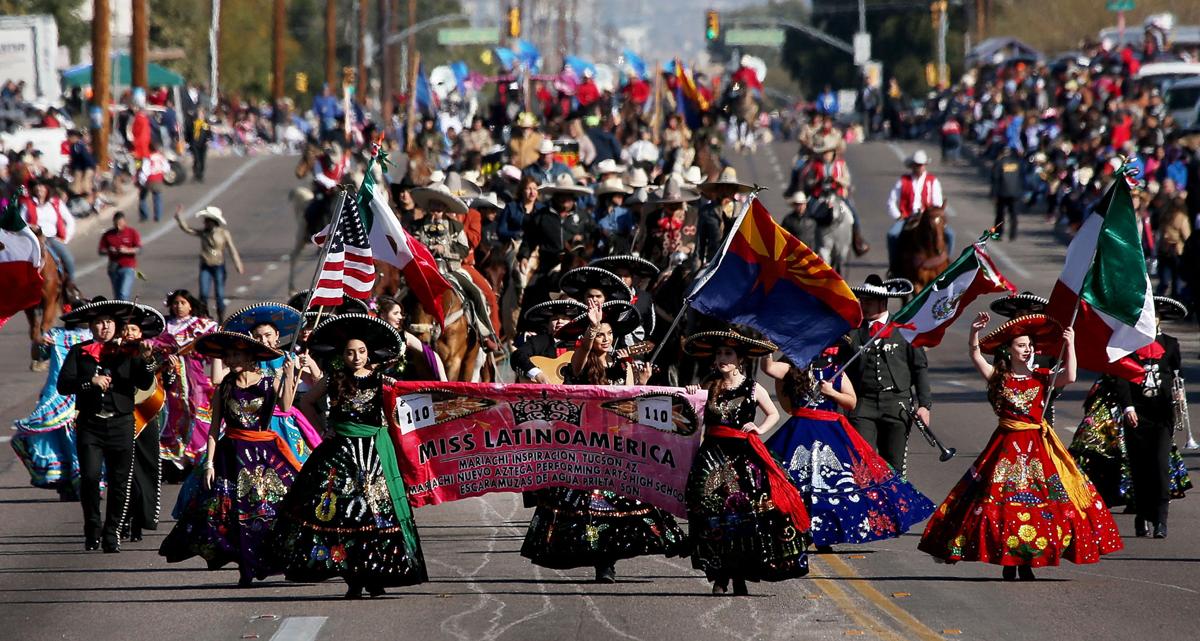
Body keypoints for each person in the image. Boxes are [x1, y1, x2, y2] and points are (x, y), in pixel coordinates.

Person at [919, 312, 1122, 580]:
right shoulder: (998, 377)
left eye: (1029, 346)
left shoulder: (1042, 377)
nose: (1027, 350)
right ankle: (1008, 561)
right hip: (1005, 447)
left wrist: (1070, 343)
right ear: (1009, 350)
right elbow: (976, 356)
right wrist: (974, 333)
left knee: (1041, 506)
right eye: (1021, 346)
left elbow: (1070, 376)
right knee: (1001, 504)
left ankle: (1028, 561)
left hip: (1037, 447)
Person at [521, 300, 687, 583]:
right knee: (590, 505)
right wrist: (592, 327)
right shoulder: (579, 362)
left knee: (625, 502)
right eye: (601, 334)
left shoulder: (624, 366)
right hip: (587, 444)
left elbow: (633, 406)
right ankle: (602, 563)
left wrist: (643, 383)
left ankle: (612, 558)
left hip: (620, 443)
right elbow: (582, 351)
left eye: (609, 334)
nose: (606, 339)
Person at [270, 314, 428, 598]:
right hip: (339, 454)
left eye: (361, 351)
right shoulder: (335, 379)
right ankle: (353, 577)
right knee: (343, 515)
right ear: (342, 355)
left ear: (369, 354)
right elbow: (305, 401)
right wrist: (323, 429)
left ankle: (375, 575)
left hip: (375, 455)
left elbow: (405, 409)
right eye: (350, 352)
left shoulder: (383, 381)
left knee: (375, 512)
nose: (356, 357)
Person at [160, 331, 301, 586]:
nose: (231, 359)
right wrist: (210, 463)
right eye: (228, 355)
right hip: (230, 454)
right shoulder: (225, 386)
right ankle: (244, 567)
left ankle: (267, 559)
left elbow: (287, 406)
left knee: (269, 509)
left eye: (236, 354)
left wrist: (289, 374)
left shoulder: (270, 382)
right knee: (230, 513)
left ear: (249, 357)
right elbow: (214, 428)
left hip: (262, 455)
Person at [762, 346, 934, 553]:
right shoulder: (792, 369)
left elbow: (851, 402)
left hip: (830, 431)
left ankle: (825, 535)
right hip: (800, 431)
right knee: (796, 481)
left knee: (834, 483)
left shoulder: (836, 370)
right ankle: (800, 531)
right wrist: (767, 344)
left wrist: (831, 392)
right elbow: (769, 367)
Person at [683, 330, 810, 595]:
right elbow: (691, 417)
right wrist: (692, 394)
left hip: (743, 456)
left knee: (745, 516)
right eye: (719, 353)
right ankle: (719, 575)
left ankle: (740, 574)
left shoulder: (753, 387)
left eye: (728, 354)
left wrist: (759, 429)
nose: (722, 358)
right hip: (712, 455)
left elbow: (774, 413)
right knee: (708, 512)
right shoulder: (708, 384)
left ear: (740, 359)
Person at [56, 299, 157, 553]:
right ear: (91, 326)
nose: (105, 327)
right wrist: (90, 381)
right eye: (100, 323)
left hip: (121, 424)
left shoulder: (130, 352)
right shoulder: (79, 352)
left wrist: (147, 359)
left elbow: (146, 383)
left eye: (110, 322)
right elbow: (64, 385)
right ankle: (92, 526)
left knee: (120, 481)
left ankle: (112, 533)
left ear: (118, 326)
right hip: (90, 424)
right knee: (90, 477)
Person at [1112, 297, 1187, 539]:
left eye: (1155, 316)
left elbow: (1177, 375)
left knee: (1161, 467)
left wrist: (1177, 394)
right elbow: (1121, 378)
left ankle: (1161, 520)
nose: (1151, 320)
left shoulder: (1171, 344)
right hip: (1138, 414)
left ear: (1159, 319)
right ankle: (1142, 515)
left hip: (1161, 416)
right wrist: (1128, 407)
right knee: (1140, 469)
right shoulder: (1129, 346)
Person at [843, 275, 931, 475]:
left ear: (883, 302)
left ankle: (894, 505)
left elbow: (919, 367)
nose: (863, 306)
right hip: (862, 404)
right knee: (861, 462)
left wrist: (925, 405)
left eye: (869, 302)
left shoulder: (905, 329)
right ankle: (867, 505)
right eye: (861, 301)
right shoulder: (852, 332)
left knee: (893, 466)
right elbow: (840, 367)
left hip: (896, 404)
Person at [12, 314, 92, 500]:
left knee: (80, 439)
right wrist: (38, 340)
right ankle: (68, 481)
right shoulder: (56, 334)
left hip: (86, 393)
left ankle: (84, 481)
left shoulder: (98, 336)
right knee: (59, 438)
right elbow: (38, 356)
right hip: (57, 395)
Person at [151, 290, 218, 473]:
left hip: (195, 380)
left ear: (190, 305)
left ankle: (198, 456)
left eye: (182, 302)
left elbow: (213, 354)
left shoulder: (201, 326)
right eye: (175, 303)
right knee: (172, 416)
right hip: (170, 382)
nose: (178, 306)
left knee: (198, 413)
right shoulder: (163, 327)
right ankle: (175, 461)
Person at [118, 306, 168, 543]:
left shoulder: (153, 353)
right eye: (126, 328)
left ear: (141, 333)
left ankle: (140, 519)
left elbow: (156, 376)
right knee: (122, 473)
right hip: (120, 417)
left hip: (147, 416)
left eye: (134, 329)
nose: (129, 333)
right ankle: (121, 518)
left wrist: (148, 359)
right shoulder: (113, 353)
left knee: (144, 471)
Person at [175, 205, 245, 321]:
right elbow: (187, 229)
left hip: (218, 266)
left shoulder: (223, 233)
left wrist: (238, 264)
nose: (205, 223)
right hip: (205, 266)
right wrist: (179, 218)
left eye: (207, 221)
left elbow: (232, 249)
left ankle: (221, 317)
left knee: (219, 294)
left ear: (213, 221)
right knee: (203, 293)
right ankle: (203, 317)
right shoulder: (203, 233)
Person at [885, 151, 950, 269]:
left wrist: (933, 213)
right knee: (892, 235)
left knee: (950, 235)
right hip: (908, 216)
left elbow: (938, 202)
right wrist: (898, 216)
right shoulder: (903, 181)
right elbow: (891, 201)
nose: (919, 168)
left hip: (928, 217)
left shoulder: (932, 181)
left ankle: (948, 265)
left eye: (921, 165)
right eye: (917, 165)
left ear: (925, 165)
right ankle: (894, 266)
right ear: (912, 166)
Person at [510, 299, 587, 383]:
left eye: (565, 318)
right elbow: (517, 356)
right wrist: (537, 374)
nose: (560, 321)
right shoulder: (540, 341)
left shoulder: (582, 344)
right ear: (548, 325)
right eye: (555, 318)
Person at [376, 296, 447, 381]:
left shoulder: (404, 336)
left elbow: (432, 355)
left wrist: (444, 382)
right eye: (395, 313)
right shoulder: (369, 335)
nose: (400, 317)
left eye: (401, 313)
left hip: (397, 386)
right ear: (382, 315)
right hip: (374, 385)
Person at [22, 180, 76, 283]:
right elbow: (21, 222)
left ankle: (70, 287)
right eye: (37, 186)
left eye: (41, 186)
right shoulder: (27, 204)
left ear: (47, 188)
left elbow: (70, 221)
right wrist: (30, 226)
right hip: (34, 239)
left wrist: (65, 239)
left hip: (51, 238)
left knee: (69, 260)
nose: (39, 189)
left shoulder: (56, 203)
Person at [98, 212, 141, 301]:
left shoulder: (132, 232)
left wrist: (127, 250)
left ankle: (124, 310)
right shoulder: (108, 234)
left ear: (125, 222)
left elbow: (139, 248)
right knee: (117, 296)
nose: (118, 226)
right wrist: (110, 250)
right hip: (113, 268)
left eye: (120, 224)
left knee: (123, 293)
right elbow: (101, 250)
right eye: (116, 224)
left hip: (128, 266)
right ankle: (120, 311)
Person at [991, 146, 1023, 241]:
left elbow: (995, 179)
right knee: (1014, 215)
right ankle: (1013, 235)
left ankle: (998, 234)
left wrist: (994, 194)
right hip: (1015, 192)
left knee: (1000, 215)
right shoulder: (1017, 163)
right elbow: (1021, 177)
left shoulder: (999, 163)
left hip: (1002, 192)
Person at [137, 141, 169, 222]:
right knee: (157, 198)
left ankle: (144, 215)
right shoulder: (161, 156)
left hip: (149, 180)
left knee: (142, 197)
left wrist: (141, 181)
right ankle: (158, 216)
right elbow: (166, 168)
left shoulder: (148, 157)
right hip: (158, 179)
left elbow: (145, 170)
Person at [187, 106, 213, 183]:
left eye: (201, 114)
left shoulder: (205, 123)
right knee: (196, 159)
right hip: (194, 144)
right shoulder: (193, 122)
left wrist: (209, 139)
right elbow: (189, 132)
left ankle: (200, 175)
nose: (200, 115)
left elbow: (209, 133)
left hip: (203, 144)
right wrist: (188, 141)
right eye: (199, 114)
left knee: (202, 160)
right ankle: (196, 174)